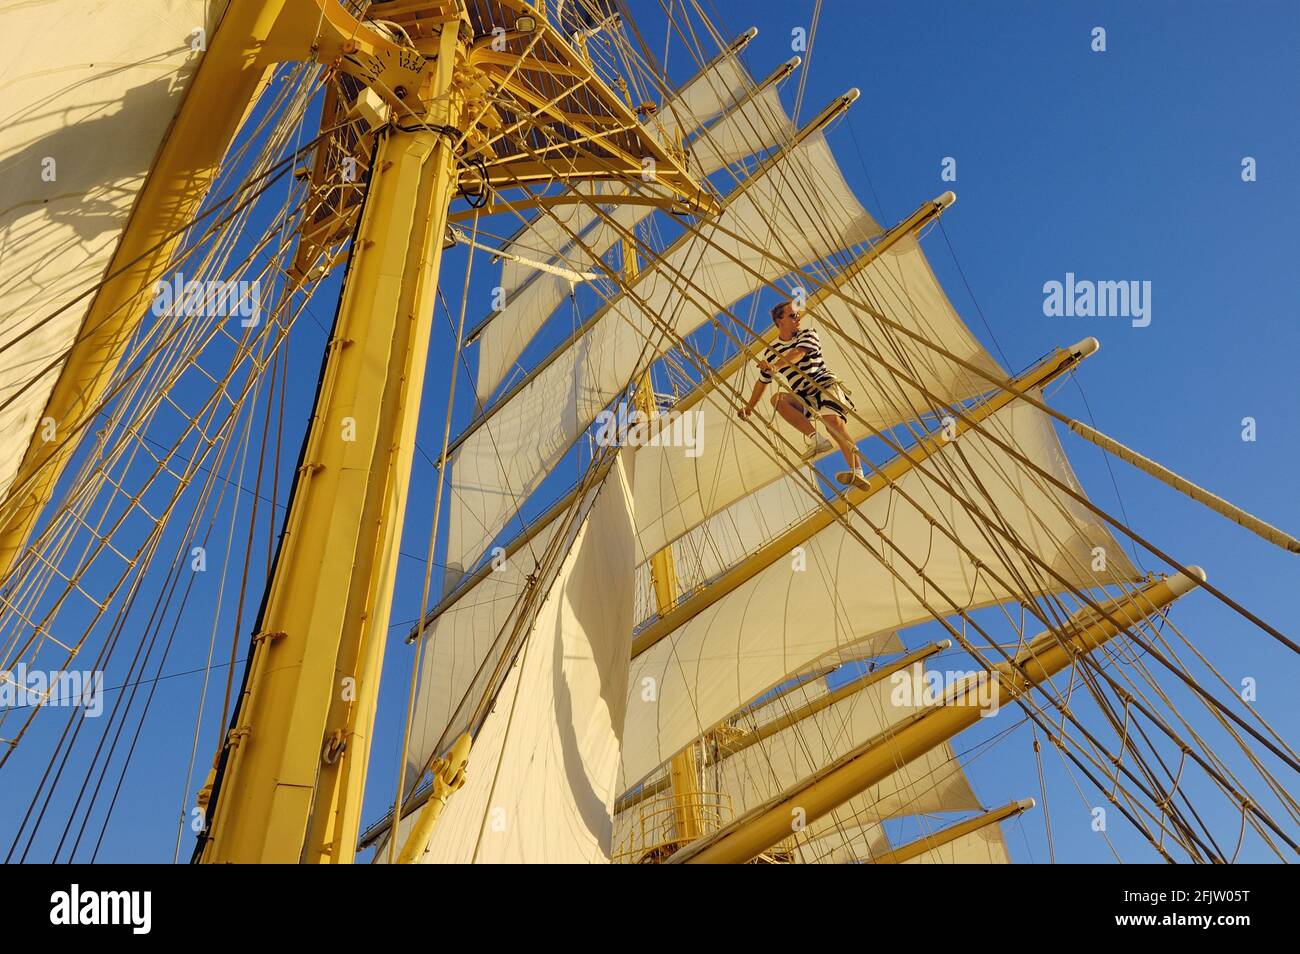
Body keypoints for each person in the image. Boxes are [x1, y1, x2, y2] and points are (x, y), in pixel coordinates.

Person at [737, 300, 867, 489]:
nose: (798, 318)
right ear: (779, 321)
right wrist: (749, 408)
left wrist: (774, 366)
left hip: (824, 385)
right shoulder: (771, 352)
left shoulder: (808, 334)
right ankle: (816, 439)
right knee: (778, 399)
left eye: (798, 314)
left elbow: (798, 353)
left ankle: (858, 473)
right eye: (792, 315)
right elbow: (763, 381)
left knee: (833, 423)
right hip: (802, 396)